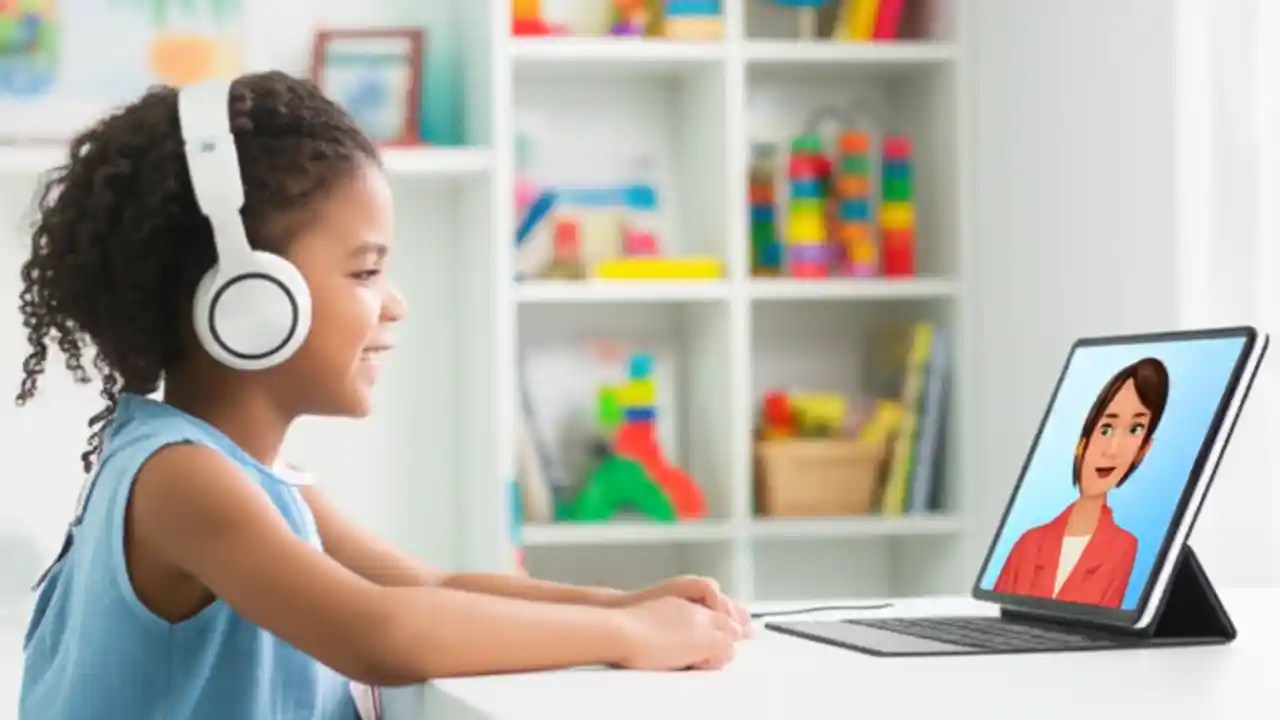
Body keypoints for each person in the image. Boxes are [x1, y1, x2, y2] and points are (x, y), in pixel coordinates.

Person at [15, 72, 747, 720]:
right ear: (250, 299)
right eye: (365, 273)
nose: (394, 304)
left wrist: (622, 605)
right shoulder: (182, 478)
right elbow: (380, 631)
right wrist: (627, 636)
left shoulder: (253, 478)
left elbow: (434, 585)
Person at [993, 357, 1169, 608]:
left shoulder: (1123, 548)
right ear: (1082, 443)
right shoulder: (1028, 543)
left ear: (1143, 450)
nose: (1113, 449)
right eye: (1106, 428)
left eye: (1135, 429)